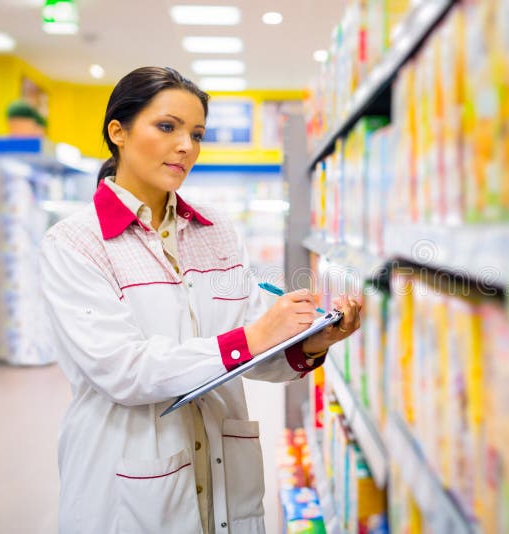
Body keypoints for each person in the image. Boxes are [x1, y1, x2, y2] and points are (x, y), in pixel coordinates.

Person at [40, 66, 361, 534]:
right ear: (118, 132)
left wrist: (310, 340)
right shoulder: (75, 242)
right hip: (126, 470)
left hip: (221, 463)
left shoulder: (216, 230)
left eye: (196, 133)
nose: (186, 146)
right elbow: (124, 371)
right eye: (167, 127)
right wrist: (250, 338)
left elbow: (249, 350)